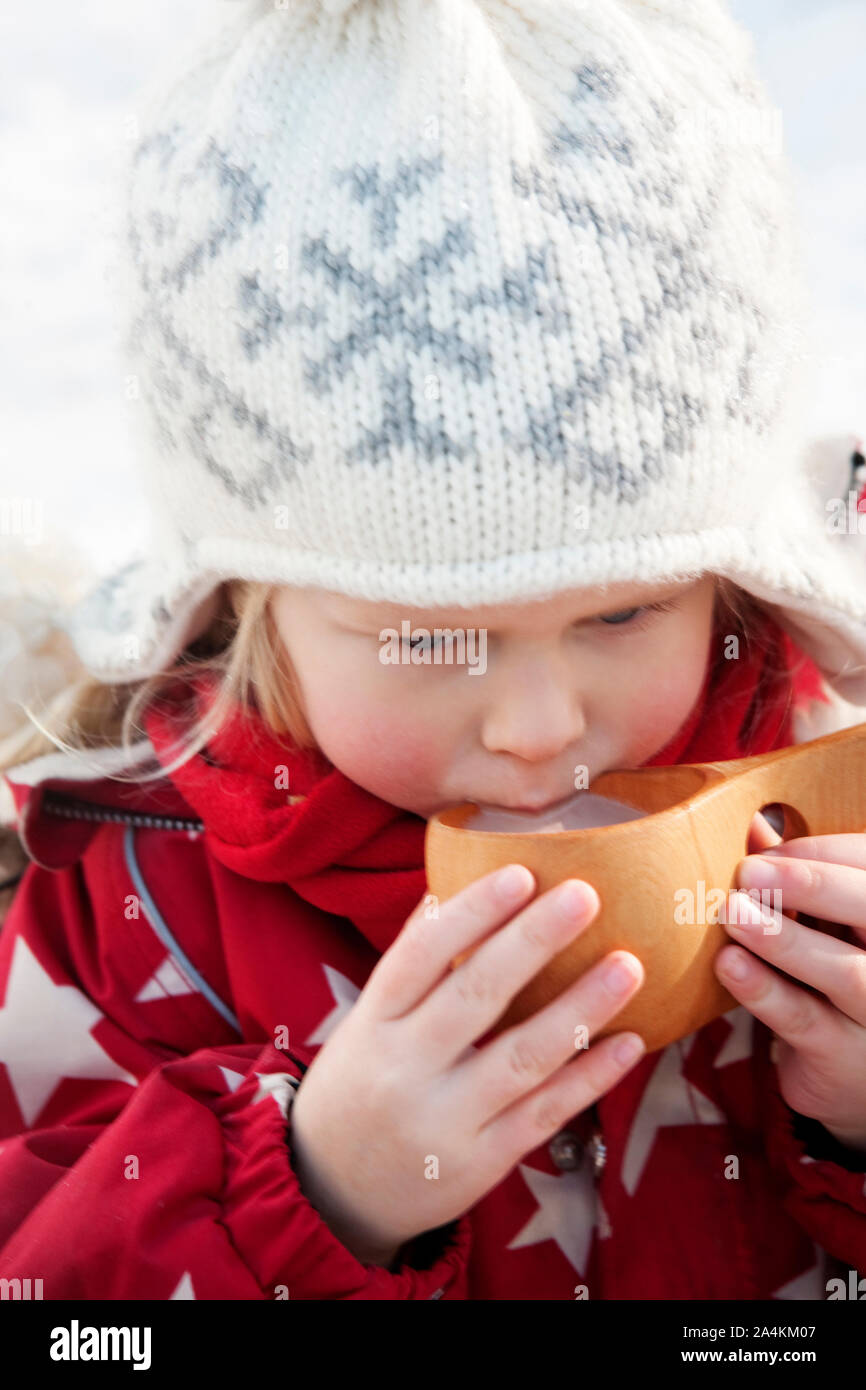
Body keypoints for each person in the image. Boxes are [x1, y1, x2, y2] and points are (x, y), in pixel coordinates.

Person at [1, 0, 866, 1300]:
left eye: (620, 613)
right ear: (251, 598)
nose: (533, 721)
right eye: (426, 634)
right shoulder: (136, 910)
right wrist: (311, 1189)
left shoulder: (820, 831)